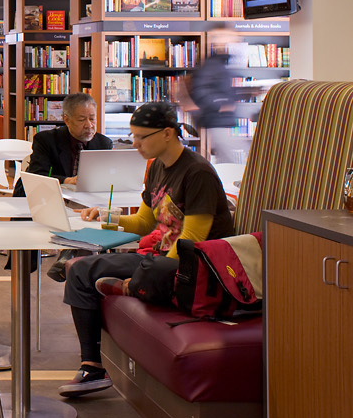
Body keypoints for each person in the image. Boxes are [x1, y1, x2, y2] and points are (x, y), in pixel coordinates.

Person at [57, 102, 234, 398]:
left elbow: (192, 240)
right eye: (132, 136)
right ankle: (93, 367)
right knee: (78, 268)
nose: (134, 144)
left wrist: (149, 267)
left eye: (141, 137)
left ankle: (135, 286)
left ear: (167, 133)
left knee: (144, 269)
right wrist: (105, 216)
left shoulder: (197, 173)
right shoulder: (156, 168)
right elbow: (143, 222)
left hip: (194, 267)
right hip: (160, 258)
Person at [16, 92, 115, 281]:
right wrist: (67, 180)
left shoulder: (103, 143)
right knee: (85, 212)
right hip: (49, 196)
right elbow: (38, 173)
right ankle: (77, 256)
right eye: (82, 120)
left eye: (92, 118)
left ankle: (71, 256)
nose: (89, 125)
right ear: (66, 120)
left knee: (94, 209)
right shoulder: (46, 140)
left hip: (86, 200)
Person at [180, 28, 242, 164]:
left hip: (220, 119)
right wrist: (221, 105)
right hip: (216, 118)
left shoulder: (219, 65)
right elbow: (200, 90)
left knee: (227, 157)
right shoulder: (212, 65)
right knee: (229, 158)